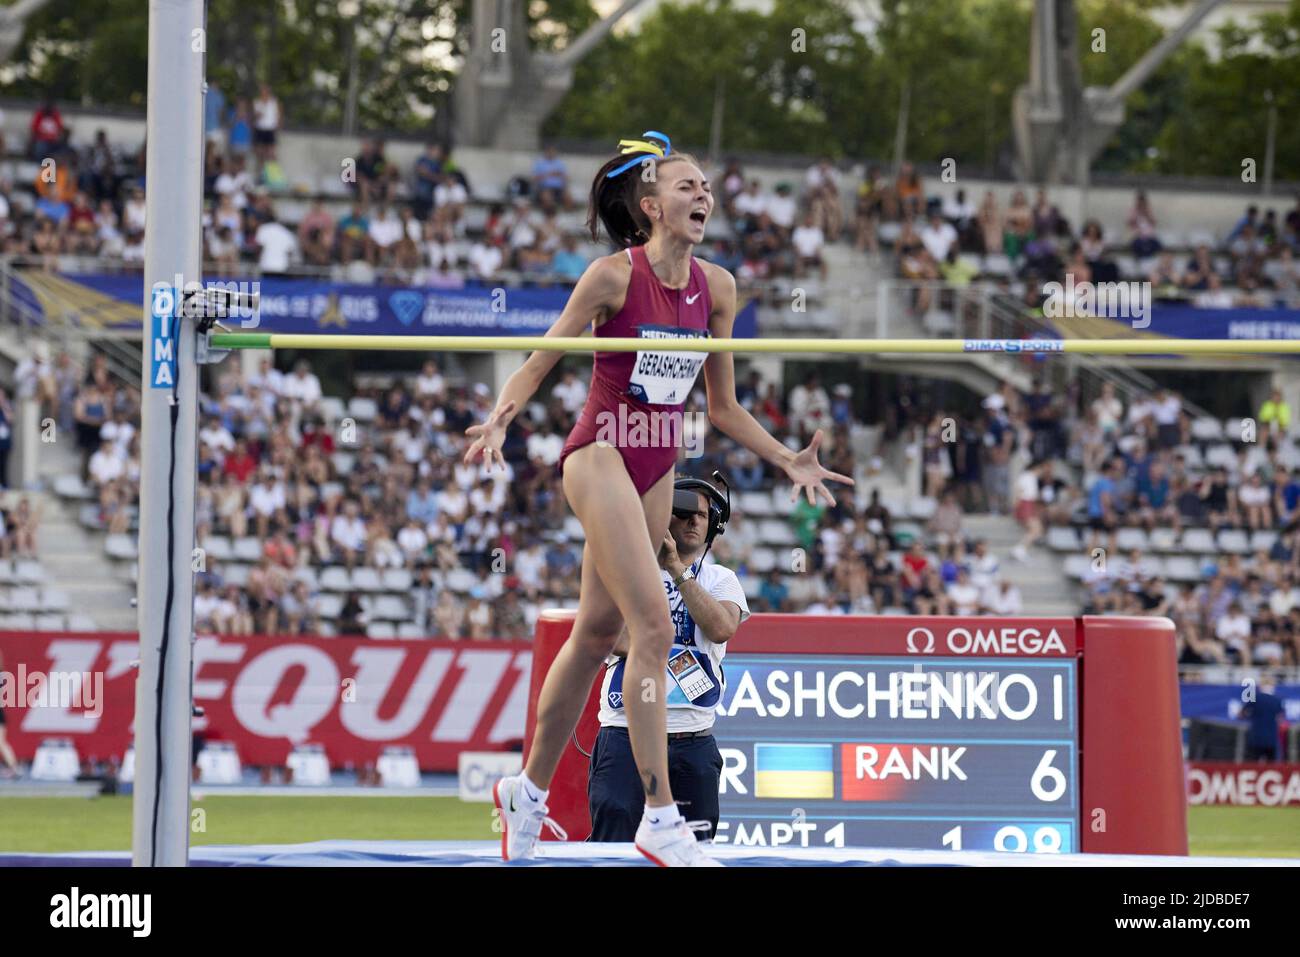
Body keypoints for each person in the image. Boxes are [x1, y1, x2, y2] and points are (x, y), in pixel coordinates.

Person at [471, 131, 852, 867]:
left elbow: (726, 407)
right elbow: (545, 353)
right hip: (600, 451)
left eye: (707, 185)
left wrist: (785, 459)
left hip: (656, 464)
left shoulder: (720, 288)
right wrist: (502, 416)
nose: (703, 194)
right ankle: (660, 817)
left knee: (592, 636)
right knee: (651, 626)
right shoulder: (612, 278)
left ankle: (526, 791)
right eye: (686, 186)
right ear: (650, 206)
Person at [588, 477, 748, 842]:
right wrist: (676, 648)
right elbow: (610, 637)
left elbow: (721, 626)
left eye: (703, 516)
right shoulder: (625, 569)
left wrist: (677, 570)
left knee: (695, 847)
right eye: (684, 511)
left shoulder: (722, 578)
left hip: (691, 736)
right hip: (623, 730)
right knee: (613, 839)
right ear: (661, 517)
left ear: (714, 526)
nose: (694, 521)